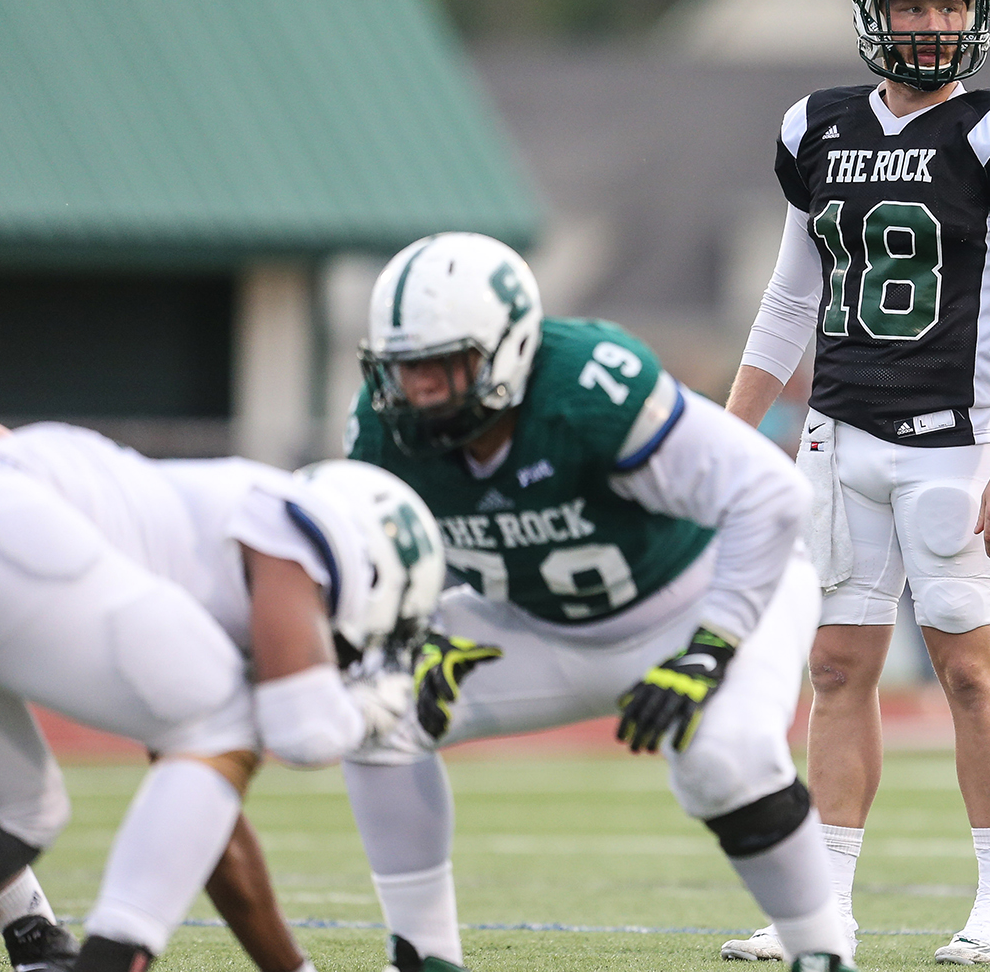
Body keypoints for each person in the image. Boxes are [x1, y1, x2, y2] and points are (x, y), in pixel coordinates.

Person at [338, 232, 854, 972]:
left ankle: (823, 956)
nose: (419, 391)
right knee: (377, 709)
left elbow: (772, 497)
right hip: (540, 623)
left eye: (444, 364)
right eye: (404, 367)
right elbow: (380, 557)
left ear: (510, 349)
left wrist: (710, 647)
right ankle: (425, 957)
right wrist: (411, 628)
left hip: (698, 598)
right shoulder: (383, 431)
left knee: (722, 761)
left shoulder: (587, 388)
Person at [723, 0, 990, 966]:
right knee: (835, 667)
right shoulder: (815, 125)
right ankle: (825, 911)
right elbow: (790, 301)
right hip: (839, 431)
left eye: (951, 5)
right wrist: (732, 443)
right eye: (914, 5)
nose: (933, 26)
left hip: (954, 440)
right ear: (873, 14)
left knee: (970, 670)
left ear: (977, 13)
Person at [0, 421, 444, 972]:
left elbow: (204, 825)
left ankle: (37, 943)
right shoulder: (305, 526)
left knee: (22, 811)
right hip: (19, 540)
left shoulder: (174, 555)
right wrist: (371, 711)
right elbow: (306, 733)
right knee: (225, 724)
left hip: (22, 536)